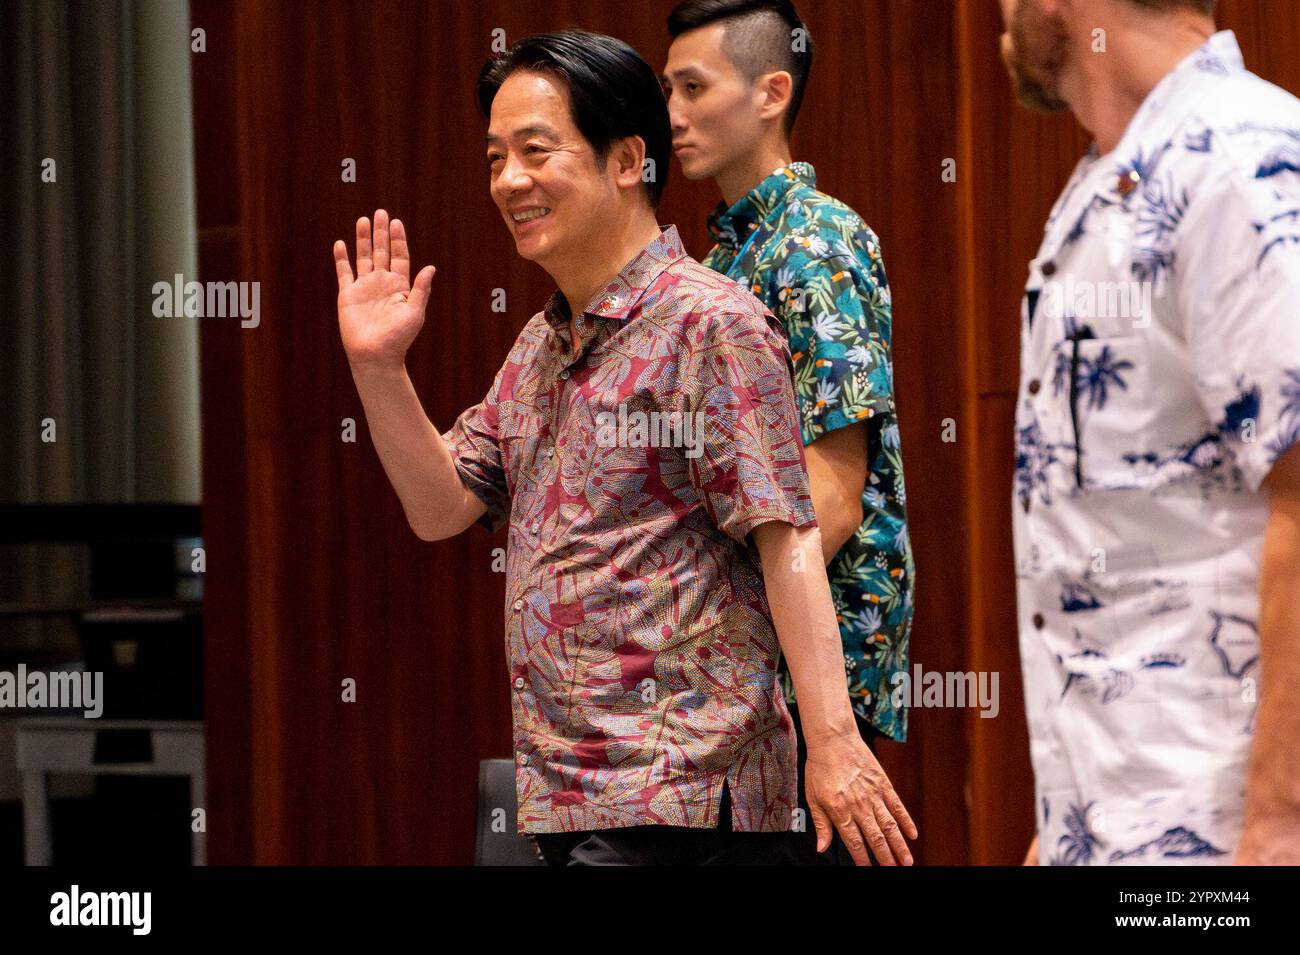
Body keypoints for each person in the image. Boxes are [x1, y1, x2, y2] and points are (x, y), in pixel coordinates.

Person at [331, 29, 916, 865]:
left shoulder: (711, 322)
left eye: (536, 150)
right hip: (569, 795)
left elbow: (787, 537)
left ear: (627, 160)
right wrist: (379, 369)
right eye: (495, 157)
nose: (509, 180)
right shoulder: (540, 347)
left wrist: (832, 741)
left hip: (682, 794)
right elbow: (440, 507)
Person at [999, 0, 1300, 864]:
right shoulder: (1114, 178)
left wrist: (1280, 826)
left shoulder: (1243, 160)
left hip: (1224, 839)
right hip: (1118, 827)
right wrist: (1067, 821)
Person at [663, 0, 915, 864]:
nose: (673, 116)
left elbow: (832, 493)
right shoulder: (718, 259)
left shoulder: (815, 240)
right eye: (668, 90)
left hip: (808, 678)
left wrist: (702, 629)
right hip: (740, 675)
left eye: (694, 88)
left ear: (773, 91)